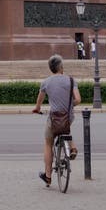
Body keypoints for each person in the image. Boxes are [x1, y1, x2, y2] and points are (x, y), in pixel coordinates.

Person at [32, 54, 81, 187]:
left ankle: (48, 176)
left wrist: (37, 109)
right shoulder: (71, 81)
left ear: (50, 68)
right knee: (65, 128)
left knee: (48, 143)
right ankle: (73, 148)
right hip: (67, 117)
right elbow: (78, 99)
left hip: (54, 118)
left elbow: (39, 101)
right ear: (61, 67)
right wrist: (69, 105)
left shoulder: (46, 82)